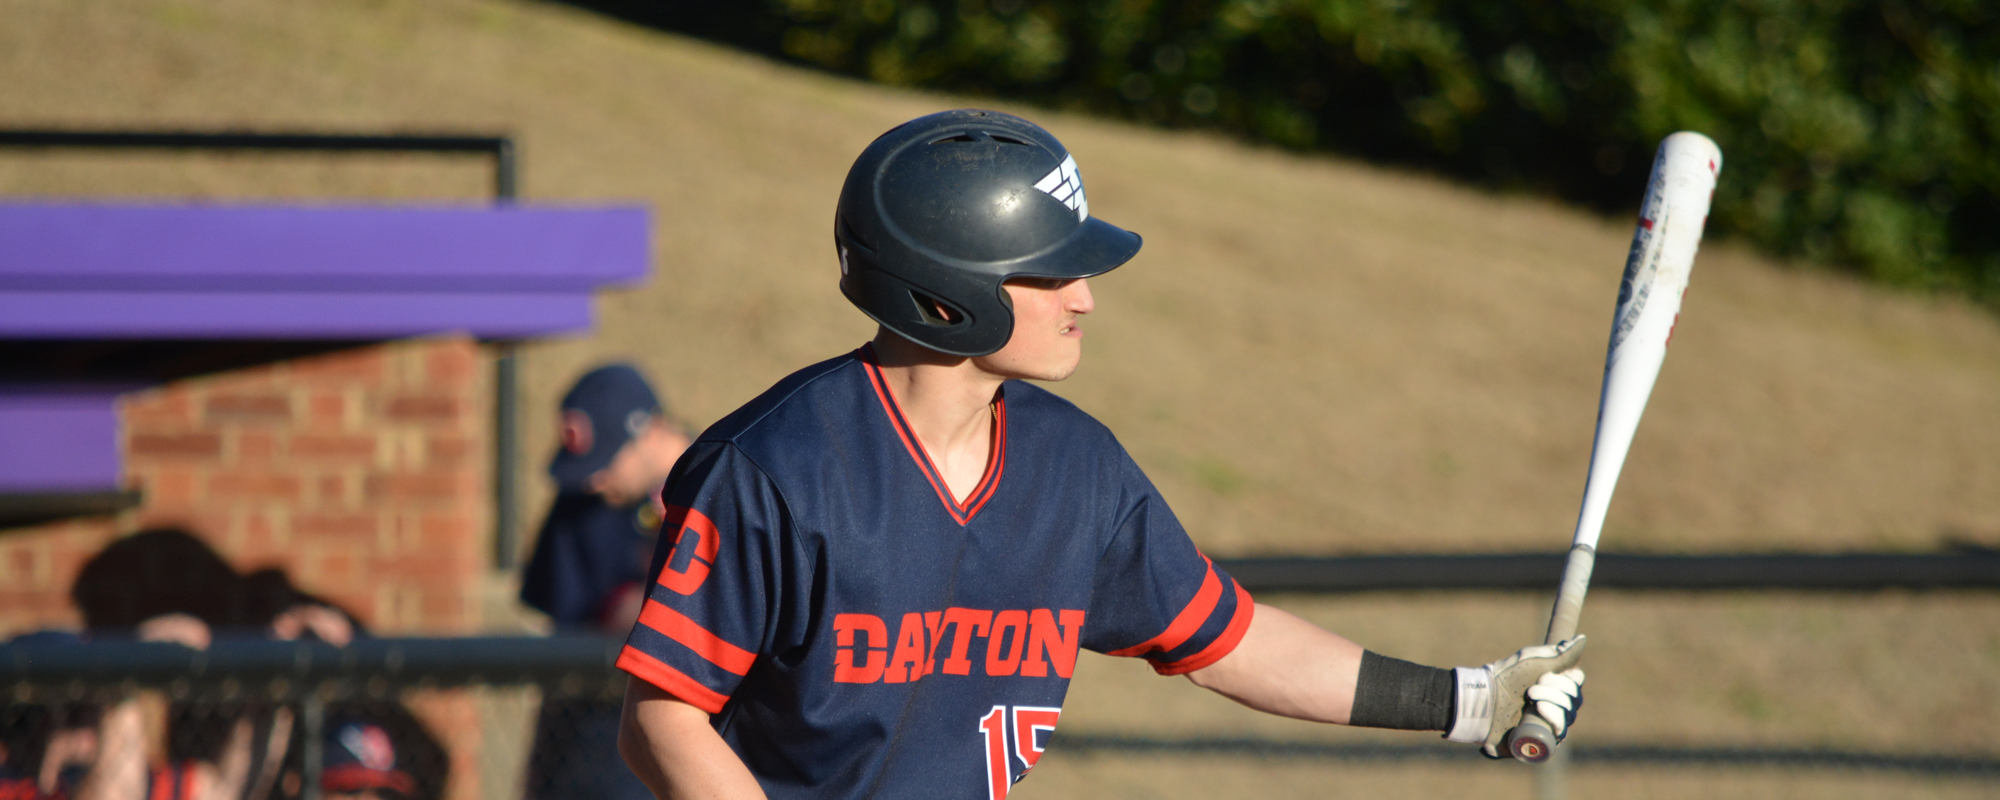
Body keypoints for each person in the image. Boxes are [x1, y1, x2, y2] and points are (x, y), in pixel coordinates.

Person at [614, 109, 1587, 799]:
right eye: (1050, 271)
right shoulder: (776, 465)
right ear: (944, 290)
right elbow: (662, 714)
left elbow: (1227, 638)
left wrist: (1469, 699)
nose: (1083, 297)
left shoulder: (1073, 467)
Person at [518, 365, 691, 800]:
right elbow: (563, 620)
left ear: (651, 431)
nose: (592, 479)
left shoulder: (726, 487)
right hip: (591, 736)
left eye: (607, 459)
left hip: (692, 740)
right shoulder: (580, 506)